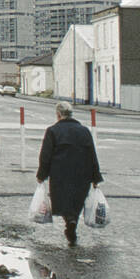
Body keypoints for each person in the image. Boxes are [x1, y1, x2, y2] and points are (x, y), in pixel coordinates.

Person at [37, 101, 104, 246]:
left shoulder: (53, 131)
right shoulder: (84, 131)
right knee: (76, 200)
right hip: (82, 173)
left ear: (58, 114)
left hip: (61, 174)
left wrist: (42, 174)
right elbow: (92, 154)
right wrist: (95, 176)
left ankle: (70, 221)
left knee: (64, 200)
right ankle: (73, 220)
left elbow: (45, 155)